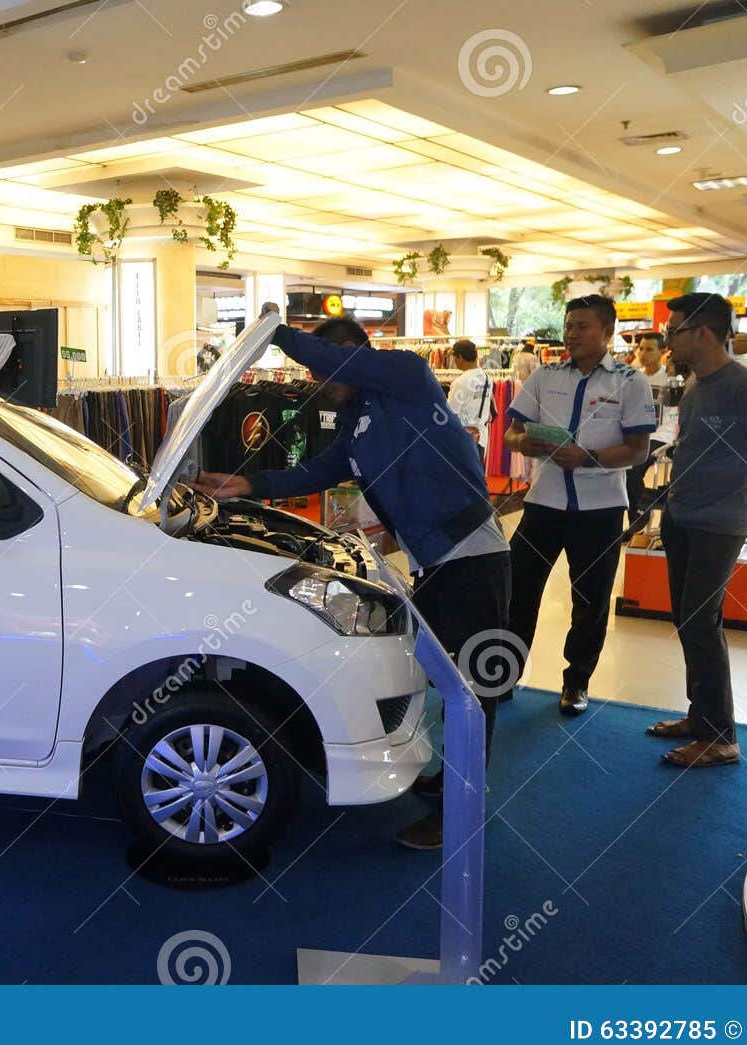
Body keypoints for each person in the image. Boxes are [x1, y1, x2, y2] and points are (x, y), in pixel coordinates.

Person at [193, 317, 510, 852]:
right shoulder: (355, 418)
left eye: (327, 362)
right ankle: (454, 779)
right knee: (441, 674)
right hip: (433, 560)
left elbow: (337, 360)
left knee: (471, 684)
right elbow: (317, 471)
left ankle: (463, 809)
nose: (320, 376)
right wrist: (247, 484)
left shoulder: (407, 375)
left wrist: (275, 331)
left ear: (360, 355)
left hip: (471, 552)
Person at [646, 294, 747, 767]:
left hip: (719, 523)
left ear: (702, 332)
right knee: (689, 621)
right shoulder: (696, 385)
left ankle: (721, 737)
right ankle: (700, 716)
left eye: (674, 331)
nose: (668, 342)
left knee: (701, 623)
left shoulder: (744, 388)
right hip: (683, 516)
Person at [505, 295, 654, 716]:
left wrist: (588, 457)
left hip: (601, 510)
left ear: (607, 332)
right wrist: (526, 442)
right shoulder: (544, 376)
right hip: (543, 504)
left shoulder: (630, 381)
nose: (572, 333)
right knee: (518, 590)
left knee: (590, 600)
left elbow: (638, 449)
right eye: (569, 325)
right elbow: (510, 435)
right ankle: (504, 673)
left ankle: (576, 683)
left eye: (583, 326)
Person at [625, 332, 669, 525]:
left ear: (662, 352)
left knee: (633, 468)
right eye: (641, 348)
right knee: (621, 469)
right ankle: (638, 514)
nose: (643, 353)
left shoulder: (670, 378)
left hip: (662, 434)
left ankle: (639, 518)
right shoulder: (633, 378)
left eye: (649, 349)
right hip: (634, 433)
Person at [446, 338, 494, 462]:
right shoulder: (487, 378)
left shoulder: (460, 382)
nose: (454, 361)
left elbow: (451, 414)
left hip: (462, 440)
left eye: (454, 358)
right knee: (476, 477)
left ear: (460, 357)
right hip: (481, 437)